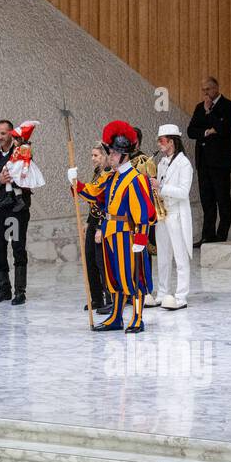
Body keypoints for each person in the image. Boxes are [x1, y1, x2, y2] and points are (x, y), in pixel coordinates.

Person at [68, 121, 158, 334]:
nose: (110, 157)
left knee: (133, 278)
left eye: (114, 154)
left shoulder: (136, 180)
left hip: (128, 235)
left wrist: (141, 240)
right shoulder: (111, 176)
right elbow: (93, 194)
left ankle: (137, 318)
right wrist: (75, 183)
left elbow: (144, 213)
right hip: (110, 232)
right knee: (114, 277)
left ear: (124, 155)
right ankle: (116, 317)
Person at [0, 119, 31, 305]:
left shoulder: (21, 152)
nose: (0, 137)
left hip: (15, 211)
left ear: (11, 134)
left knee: (17, 248)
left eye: (3, 133)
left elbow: (28, 176)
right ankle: (4, 290)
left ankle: (20, 292)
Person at [185, 77, 231, 245]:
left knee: (222, 198)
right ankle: (208, 235)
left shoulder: (228, 106)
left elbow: (224, 129)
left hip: (220, 161)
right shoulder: (200, 107)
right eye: (203, 90)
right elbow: (191, 130)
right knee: (207, 200)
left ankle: (222, 235)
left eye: (208, 89)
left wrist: (209, 113)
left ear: (216, 88)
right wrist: (207, 131)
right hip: (204, 161)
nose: (205, 93)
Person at [148, 124, 193, 311]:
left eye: (162, 140)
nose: (159, 144)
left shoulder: (184, 164)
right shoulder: (162, 163)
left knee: (181, 257)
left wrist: (160, 187)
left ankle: (181, 296)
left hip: (177, 215)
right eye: (159, 140)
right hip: (163, 214)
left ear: (172, 142)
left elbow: (183, 192)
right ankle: (162, 293)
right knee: (163, 257)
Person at [82, 143, 113, 316]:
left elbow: (105, 203)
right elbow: (93, 201)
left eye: (96, 155)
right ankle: (96, 297)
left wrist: (101, 227)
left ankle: (110, 298)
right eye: (92, 155)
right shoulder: (96, 174)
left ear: (105, 156)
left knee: (103, 262)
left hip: (104, 222)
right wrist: (88, 221)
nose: (93, 159)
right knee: (90, 259)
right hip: (93, 220)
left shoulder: (109, 175)